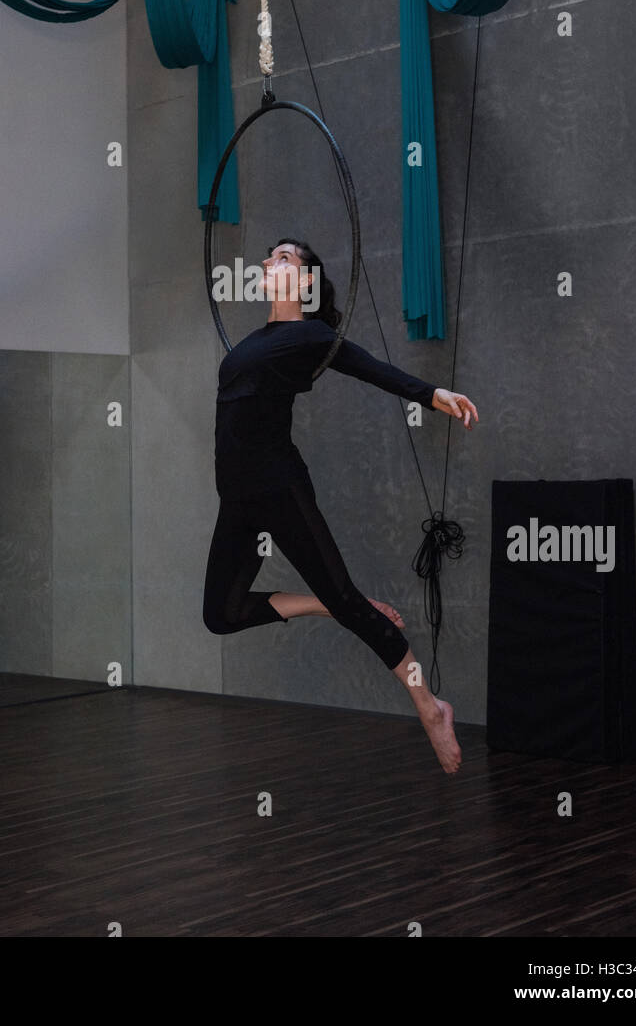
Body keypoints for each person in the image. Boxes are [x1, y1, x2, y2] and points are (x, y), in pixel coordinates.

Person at [204, 238, 479, 774]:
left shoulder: (312, 336)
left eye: (283, 258)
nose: (267, 262)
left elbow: (370, 368)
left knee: (355, 608)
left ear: (307, 281)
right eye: (268, 257)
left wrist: (430, 394)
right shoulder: (258, 338)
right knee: (221, 615)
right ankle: (330, 602)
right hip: (235, 498)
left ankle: (430, 707)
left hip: (279, 488)